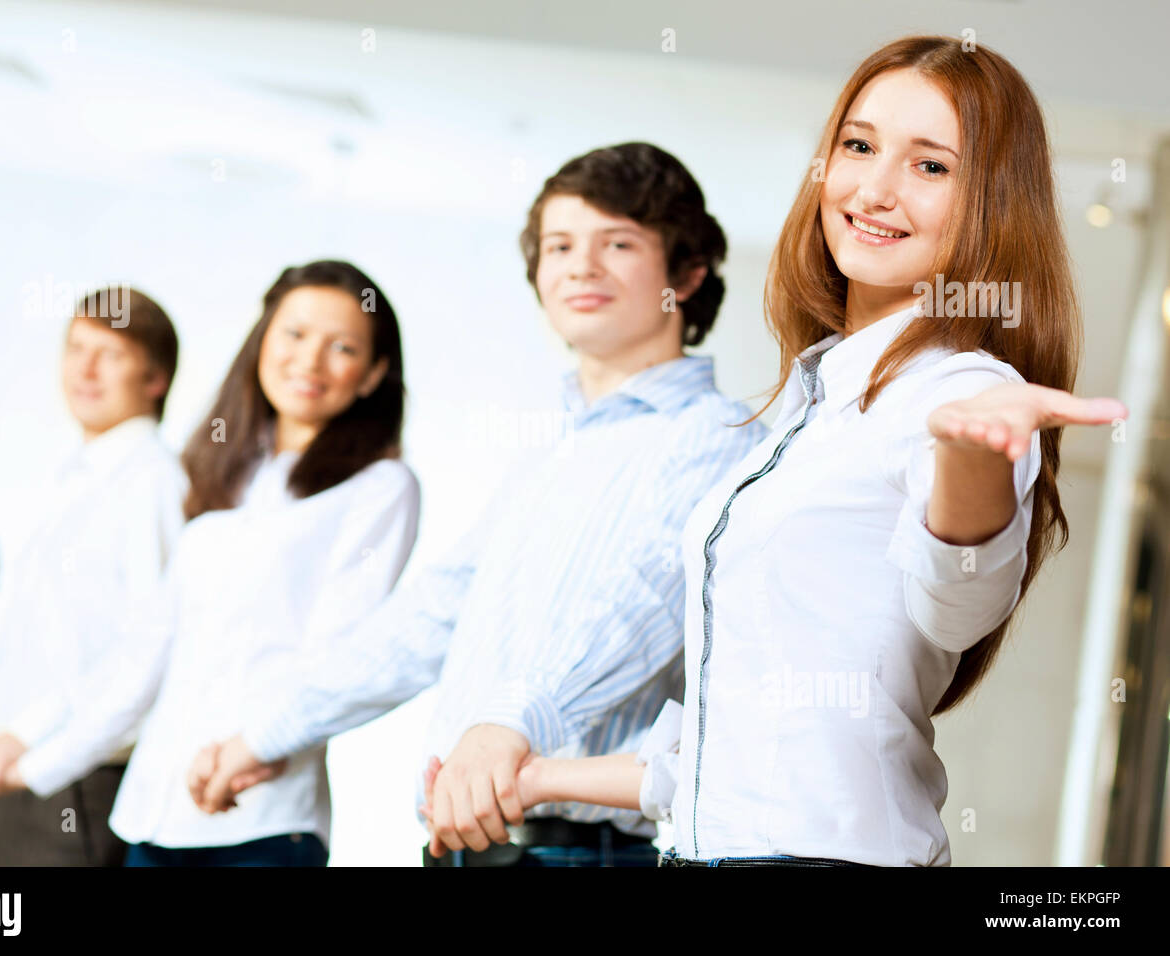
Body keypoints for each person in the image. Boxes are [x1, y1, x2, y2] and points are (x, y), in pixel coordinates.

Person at [422, 36, 1127, 867]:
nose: (875, 187)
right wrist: (539, 778)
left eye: (931, 166)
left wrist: (972, 458)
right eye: (859, 147)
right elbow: (736, 745)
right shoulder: (810, 406)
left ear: (992, 204)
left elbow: (960, 605)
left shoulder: (957, 392)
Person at [188, 144, 770, 867]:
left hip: (575, 852)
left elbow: (639, 604)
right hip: (464, 847)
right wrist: (267, 734)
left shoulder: (715, 438)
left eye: (617, 243)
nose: (581, 266)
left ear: (686, 274)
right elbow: (428, 616)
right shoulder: (548, 459)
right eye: (559, 246)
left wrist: (509, 722)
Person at [0, 260, 420, 867]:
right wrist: (35, 761)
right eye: (295, 335)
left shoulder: (380, 488)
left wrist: (257, 743)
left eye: (342, 347)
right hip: (153, 818)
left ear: (373, 374)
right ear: (263, 343)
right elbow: (144, 656)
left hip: (260, 823)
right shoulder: (220, 475)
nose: (310, 360)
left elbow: (339, 656)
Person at [0, 287, 187, 866]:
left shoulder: (153, 483)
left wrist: (21, 735)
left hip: (76, 784)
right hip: (19, 775)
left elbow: (143, 654)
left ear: (155, 379)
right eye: (76, 347)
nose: (85, 368)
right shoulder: (73, 476)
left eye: (112, 353)